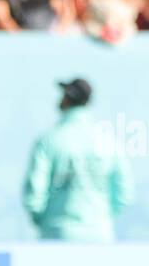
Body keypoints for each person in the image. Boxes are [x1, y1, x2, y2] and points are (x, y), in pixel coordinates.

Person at [23, 78, 134, 242]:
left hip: (58, 232)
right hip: (100, 233)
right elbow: (124, 193)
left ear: (67, 99)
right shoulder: (108, 141)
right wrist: (101, 219)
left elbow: (34, 191)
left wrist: (44, 221)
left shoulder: (49, 140)